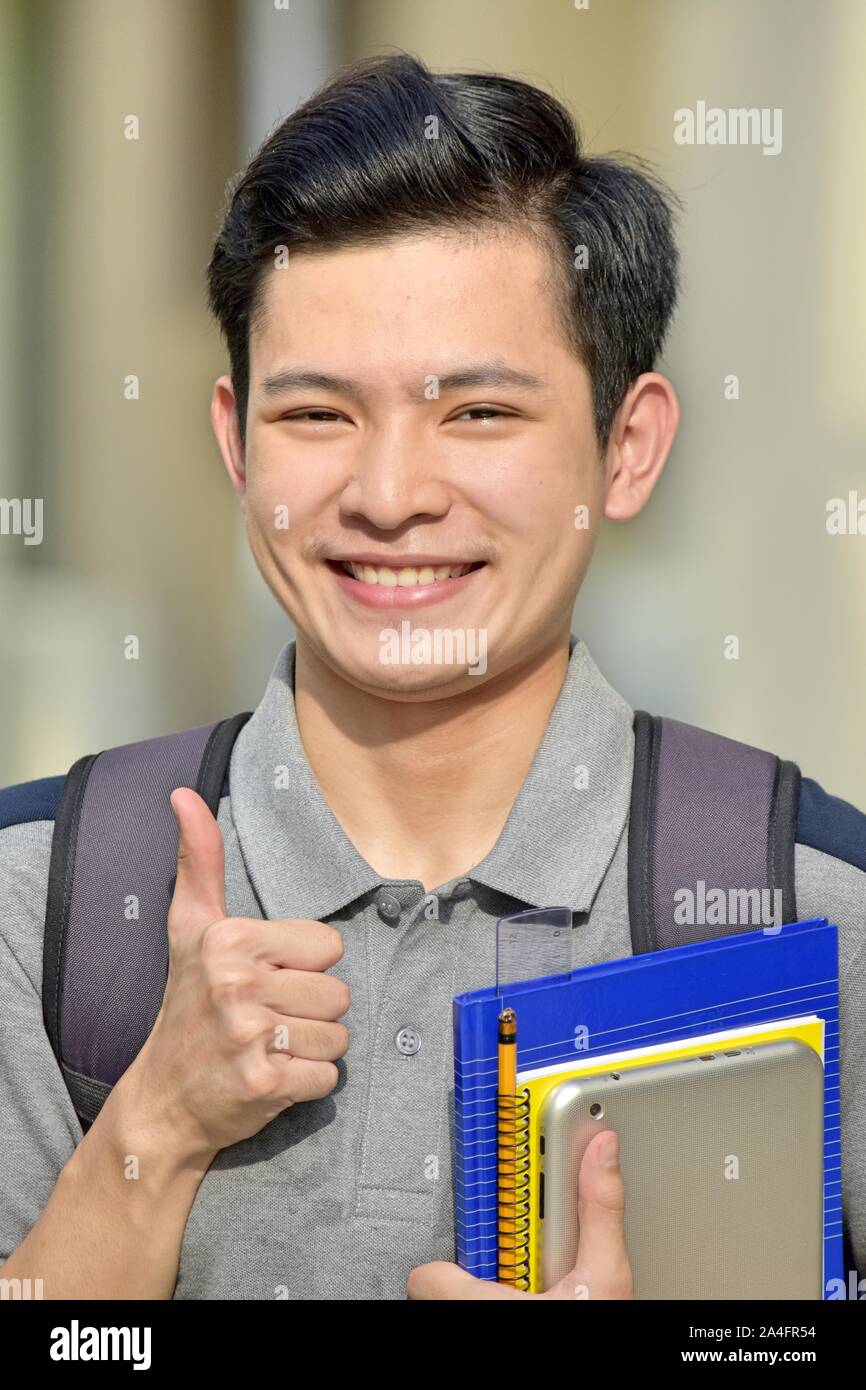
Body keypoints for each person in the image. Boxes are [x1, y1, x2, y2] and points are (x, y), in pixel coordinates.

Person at [0, 52, 862, 1301]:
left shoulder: (812, 913)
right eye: (316, 416)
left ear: (627, 448)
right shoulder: (42, 912)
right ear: (236, 444)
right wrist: (155, 1125)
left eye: (476, 415)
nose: (390, 496)